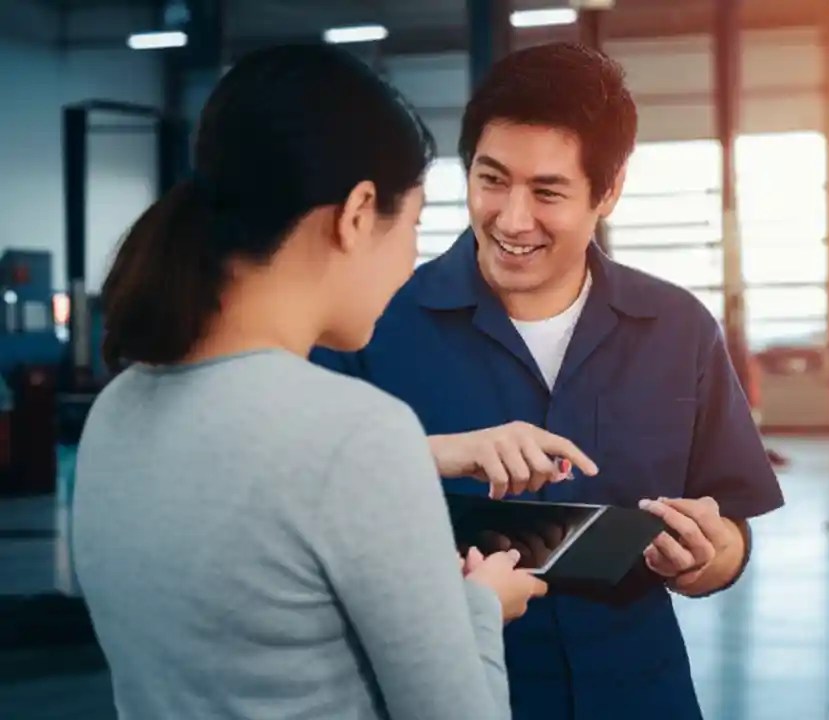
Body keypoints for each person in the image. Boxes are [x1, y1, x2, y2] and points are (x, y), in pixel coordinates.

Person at [70, 44, 548, 720]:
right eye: (412, 225)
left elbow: (251, 492)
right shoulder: (355, 431)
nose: (412, 258)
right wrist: (478, 608)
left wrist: (425, 456)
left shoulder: (118, 408)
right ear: (356, 215)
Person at [311, 42, 786, 719]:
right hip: (450, 693)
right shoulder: (372, 322)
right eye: (492, 179)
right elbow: (302, 501)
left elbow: (730, 525)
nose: (511, 219)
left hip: (639, 693)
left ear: (609, 190)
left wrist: (708, 555)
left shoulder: (678, 330)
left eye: (548, 192)